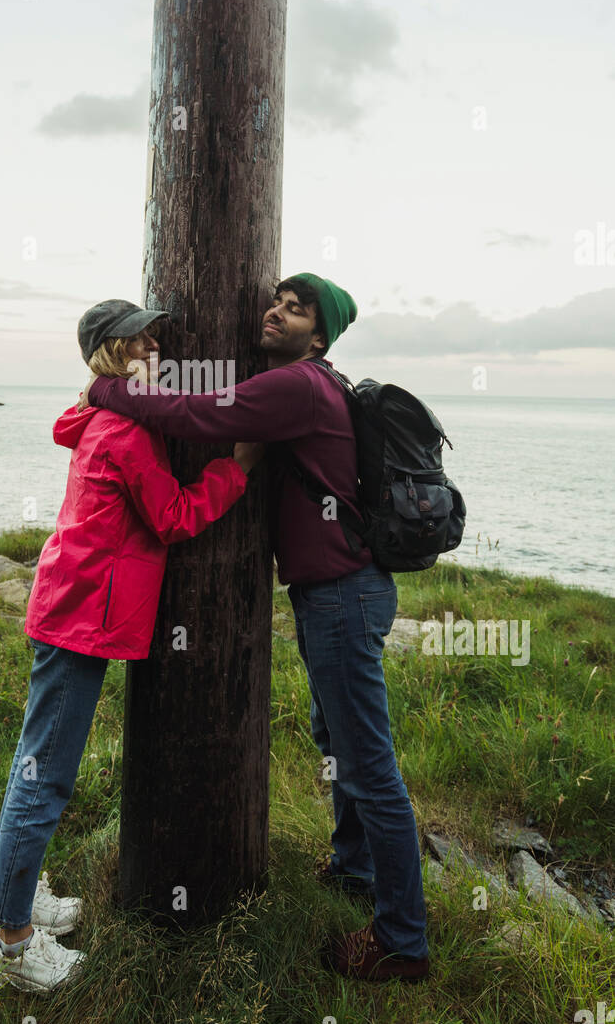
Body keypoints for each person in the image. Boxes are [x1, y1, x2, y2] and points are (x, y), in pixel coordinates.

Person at [85, 274, 430, 983]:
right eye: (277, 303)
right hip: (337, 593)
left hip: (342, 596)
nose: (276, 312)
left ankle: (401, 941)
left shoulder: (299, 385)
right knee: (337, 740)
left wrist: (104, 390)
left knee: (369, 767)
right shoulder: (309, 384)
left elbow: (192, 414)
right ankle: (352, 870)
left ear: (321, 335)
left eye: (296, 309)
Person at [0, 298, 260, 993]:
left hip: (71, 609)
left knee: (37, 765)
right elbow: (170, 517)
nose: (153, 352)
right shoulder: (128, 432)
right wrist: (236, 471)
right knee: (43, 778)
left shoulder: (102, 417)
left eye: (155, 342)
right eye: (139, 346)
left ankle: (20, 898)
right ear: (111, 355)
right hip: (81, 617)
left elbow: (65, 423)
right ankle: (12, 945)